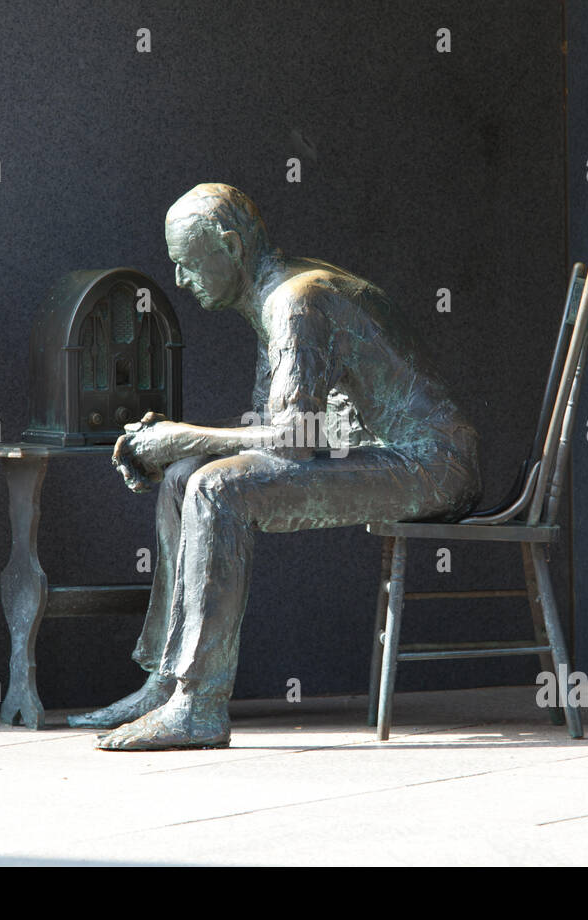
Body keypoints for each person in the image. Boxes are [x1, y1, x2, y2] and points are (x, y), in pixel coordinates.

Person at [71, 183, 481, 750]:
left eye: (189, 265)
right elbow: (289, 432)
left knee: (218, 489)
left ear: (231, 247)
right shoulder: (273, 295)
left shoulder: (295, 301)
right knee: (183, 476)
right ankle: (166, 682)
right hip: (387, 455)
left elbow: (291, 442)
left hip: (430, 466)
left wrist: (179, 435)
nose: (183, 282)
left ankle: (199, 704)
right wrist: (175, 450)